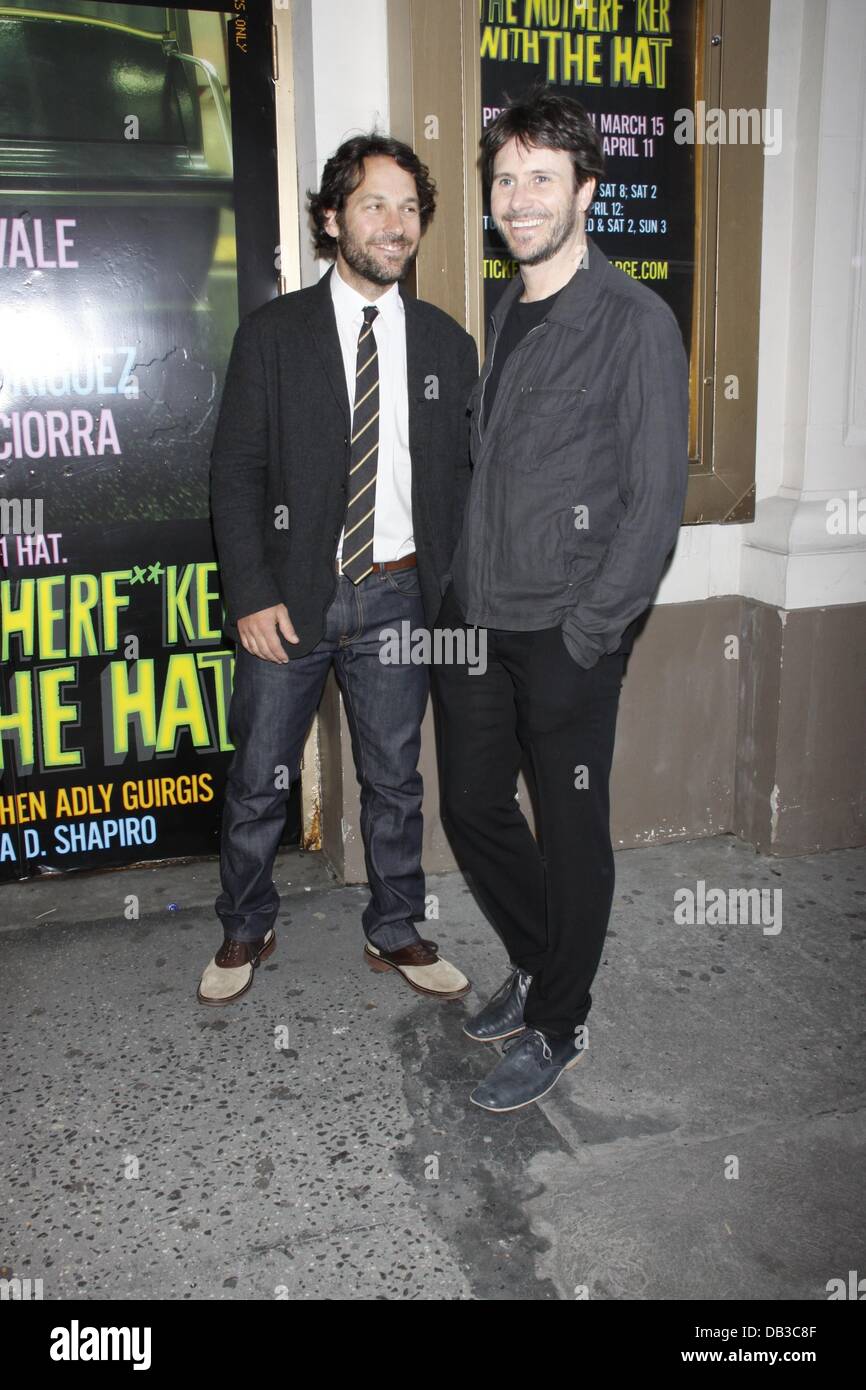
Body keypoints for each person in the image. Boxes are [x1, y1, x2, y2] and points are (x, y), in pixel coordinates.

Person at [432, 88, 689, 1111]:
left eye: (541, 177)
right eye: (504, 178)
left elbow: (653, 504)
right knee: (470, 804)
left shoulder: (631, 322)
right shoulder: (511, 304)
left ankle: (560, 1018)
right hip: (478, 620)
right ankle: (546, 959)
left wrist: (589, 632)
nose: (518, 196)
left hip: (565, 633)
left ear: (586, 189)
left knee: (573, 828)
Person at [198, 134, 478, 1008]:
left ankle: (396, 926)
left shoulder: (445, 344)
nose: (395, 226)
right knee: (258, 775)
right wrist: (250, 592)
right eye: (374, 205)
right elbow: (235, 474)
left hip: (398, 593)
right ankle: (245, 920)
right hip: (292, 599)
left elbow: (460, 486)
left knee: (395, 777)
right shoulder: (274, 336)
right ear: (332, 218)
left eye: (408, 208)